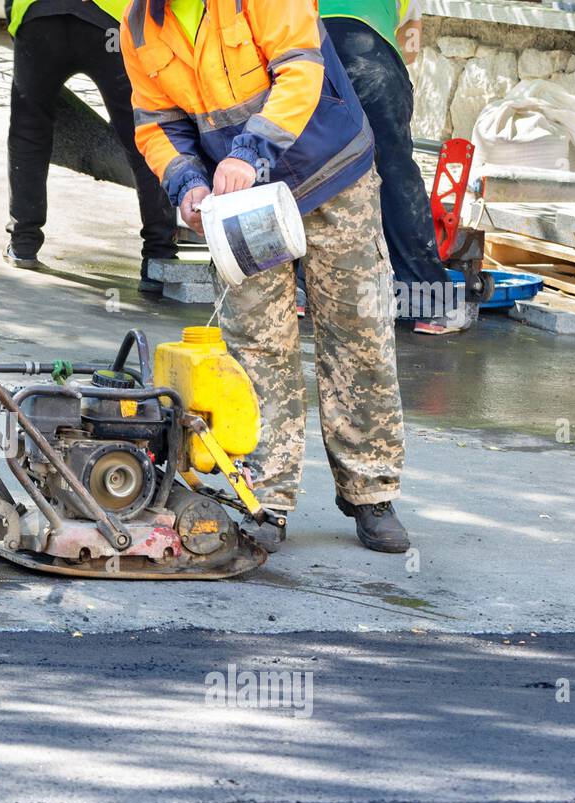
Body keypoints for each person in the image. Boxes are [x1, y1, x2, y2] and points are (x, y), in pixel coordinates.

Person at [120, 0, 410, 553]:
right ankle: (267, 498)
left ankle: (371, 491)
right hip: (243, 204)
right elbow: (157, 124)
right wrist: (187, 184)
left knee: (358, 332)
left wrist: (252, 150)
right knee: (257, 344)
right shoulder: (137, 26)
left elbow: (300, 69)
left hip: (330, 174)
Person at [5, 0, 179, 294]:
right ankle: (158, 258)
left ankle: (23, 243)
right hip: (110, 20)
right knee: (144, 136)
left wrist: (17, 19)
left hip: (39, 15)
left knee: (29, 131)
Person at [319, 1, 464, 333]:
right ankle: (429, 305)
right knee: (397, 177)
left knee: (303, 167)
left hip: (309, 54)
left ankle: (297, 292)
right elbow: (410, 51)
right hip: (372, 63)